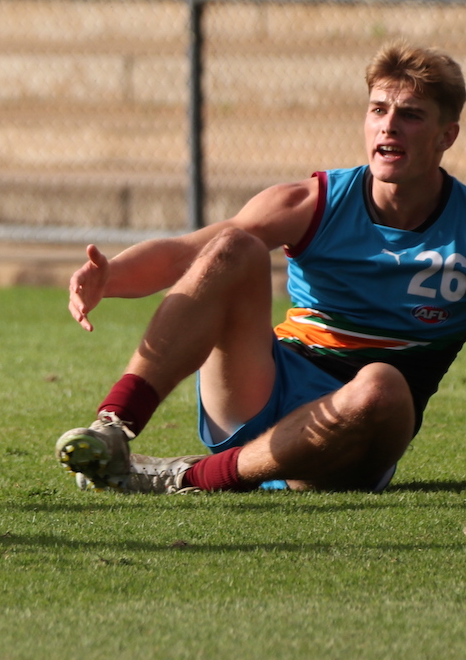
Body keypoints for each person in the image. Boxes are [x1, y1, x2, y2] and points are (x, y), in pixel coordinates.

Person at [54, 44, 466, 494]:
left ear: (447, 135)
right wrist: (109, 276)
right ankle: (115, 424)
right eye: (378, 109)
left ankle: (185, 477)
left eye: (410, 114)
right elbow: (183, 256)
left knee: (382, 385)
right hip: (263, 386)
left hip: (357, 430)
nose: (388, 125)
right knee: (233, 244)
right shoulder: (313, 202)